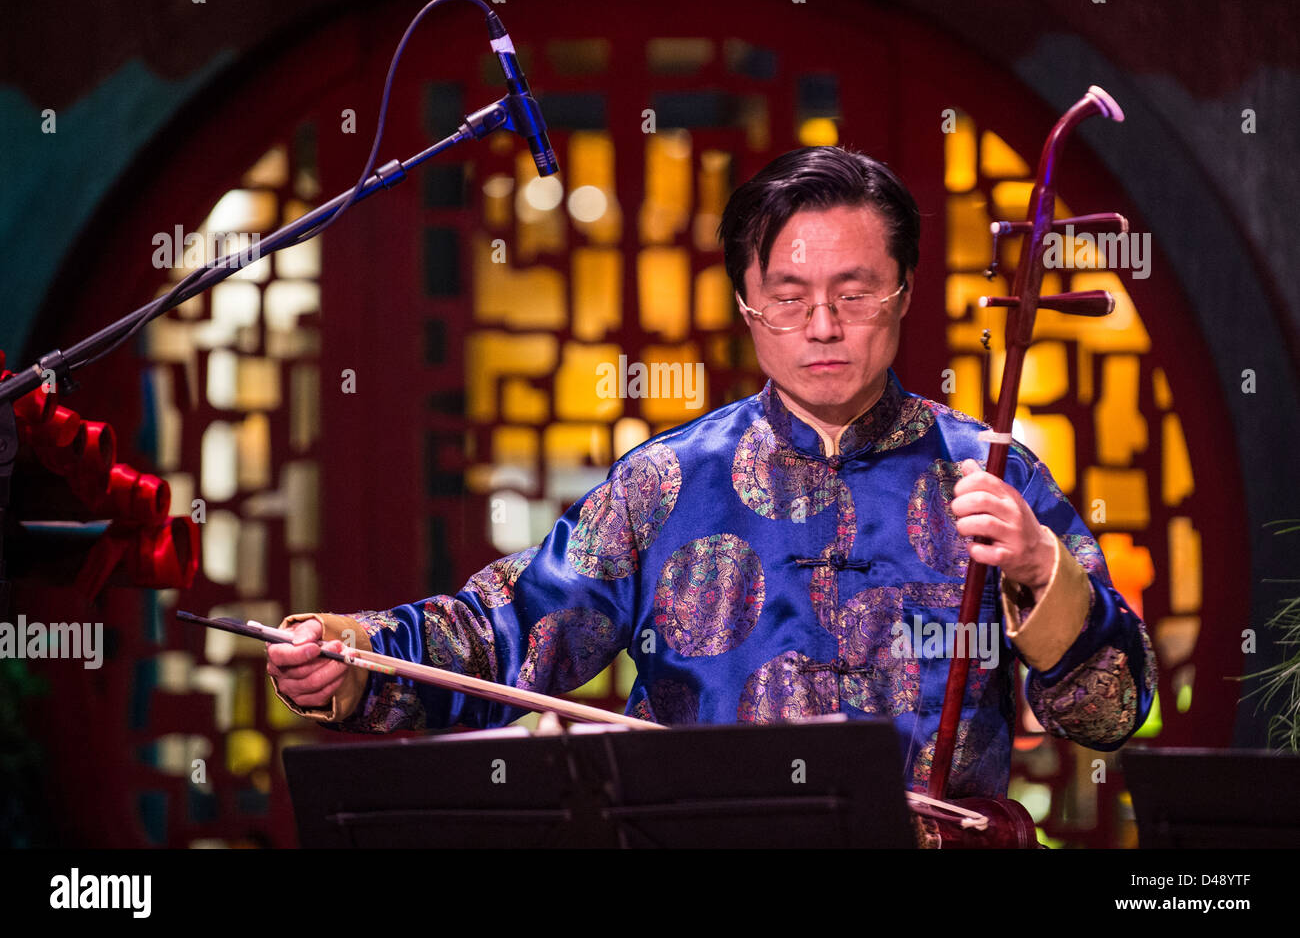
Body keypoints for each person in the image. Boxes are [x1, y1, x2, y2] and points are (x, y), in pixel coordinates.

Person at [267, 146, 1156, 800]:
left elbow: (1112, 715)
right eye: (788, 296)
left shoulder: (991, 474)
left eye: (854, 294)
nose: (822, 326)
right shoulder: (666, 481)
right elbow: (510, 631)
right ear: (746, 304)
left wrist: (1045, 572)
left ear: (905, 292)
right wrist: (357, 655)